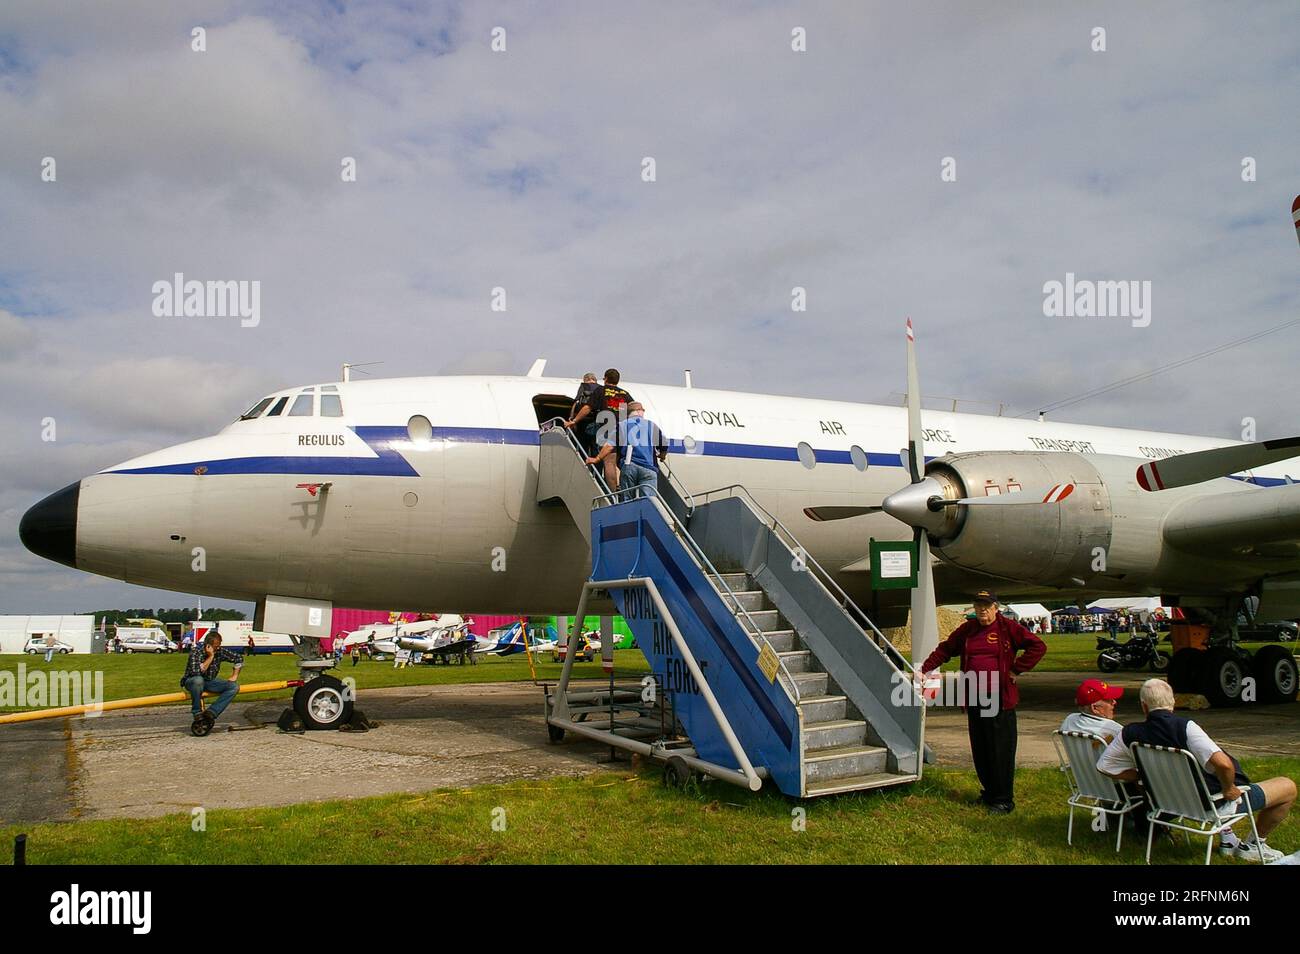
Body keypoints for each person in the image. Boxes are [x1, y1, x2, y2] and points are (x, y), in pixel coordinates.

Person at [1098, 678, 1298, 862]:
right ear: (1173, 703)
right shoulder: (1185, 727)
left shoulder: (1130, 732)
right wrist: (1229, 788)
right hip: (1206, 804)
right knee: (1287, 787)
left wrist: (1141, 775)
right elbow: (1224, 764)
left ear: (1144, 706)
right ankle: (1254, 844)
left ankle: (1229, 839)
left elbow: (1104, 766)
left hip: (1165, 801)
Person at [919, 590, 1047, 814]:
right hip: (975, 697)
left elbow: (1038, 646)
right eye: (978, 607)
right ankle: (989, 793)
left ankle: (1003, 799)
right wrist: (925, 668)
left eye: (987, 607)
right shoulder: (968, 630)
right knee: (981, 748)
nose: (982, 611)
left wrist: (1017, 668)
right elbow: (946, 648)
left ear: (996, 608)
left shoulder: (1007, 628)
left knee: (1000, 749)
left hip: (999, 699)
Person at [564, 368, 632, 491]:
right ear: (618, 380)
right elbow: (633, 410)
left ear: (605, 378)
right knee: (621, 461)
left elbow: (587, 408)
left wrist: (574, 421)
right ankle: (623, 488)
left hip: (606, 428)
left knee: (609, 462)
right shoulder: (625, 394)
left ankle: (612, 493)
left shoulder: (601, 390)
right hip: (622, 430)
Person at [587, 401, 667, 501]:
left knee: (627, 500)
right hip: (649, 468)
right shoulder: (651, 425)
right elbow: (664, 444)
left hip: (629, 466)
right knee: (649, 502)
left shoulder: (622, 425)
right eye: (643, 410)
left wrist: (597, 458)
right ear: (639, 411)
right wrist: (662, 456)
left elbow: (610, 445)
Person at [180, 631, 244, 729]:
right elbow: (196, 672)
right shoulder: (196, 652)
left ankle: (211, 713)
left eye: (219, 645)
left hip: (209, 681)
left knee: (234, 687)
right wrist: (210, 657)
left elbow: (238, 658)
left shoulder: (219, 651)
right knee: (198, 680)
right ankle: (197, 712)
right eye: (216, 646)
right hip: (192, 681)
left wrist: (234, 675)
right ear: (208, 645)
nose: (218, 648)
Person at [569, 372, 601, 456]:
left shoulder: (583, 386)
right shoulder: (601, 388)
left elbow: (577, 401)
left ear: (585, 380)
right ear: (595, 380)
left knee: (583, 446)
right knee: (595, 447)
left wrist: (573, 419)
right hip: (598, 422)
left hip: (583, 421)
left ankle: (583, 464)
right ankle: (595, 466)